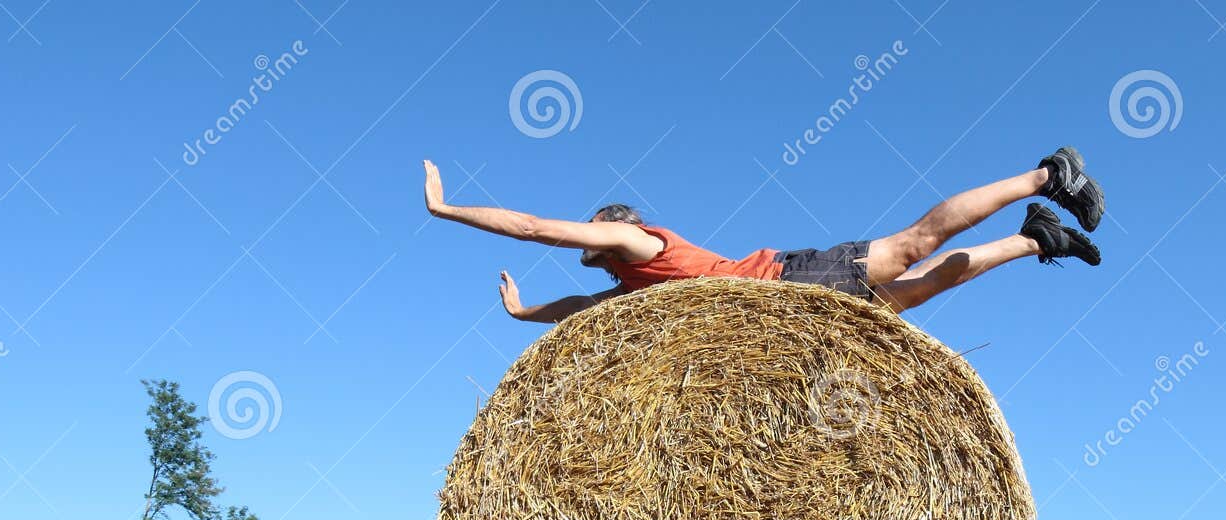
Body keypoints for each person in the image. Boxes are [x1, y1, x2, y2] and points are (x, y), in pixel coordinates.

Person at [421, 147, 1103, 321]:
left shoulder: (640, 243)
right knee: (920, 289)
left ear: (615, 228)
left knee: (910, 246)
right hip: (792, 320)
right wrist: (524, 313)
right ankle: (1036, 239)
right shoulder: (634, 292)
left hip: (785, 285)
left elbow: (533, 227)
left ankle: (1047, 175)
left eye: (590, 229)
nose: (582, 240)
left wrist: (447, 211)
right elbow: (580, 309)